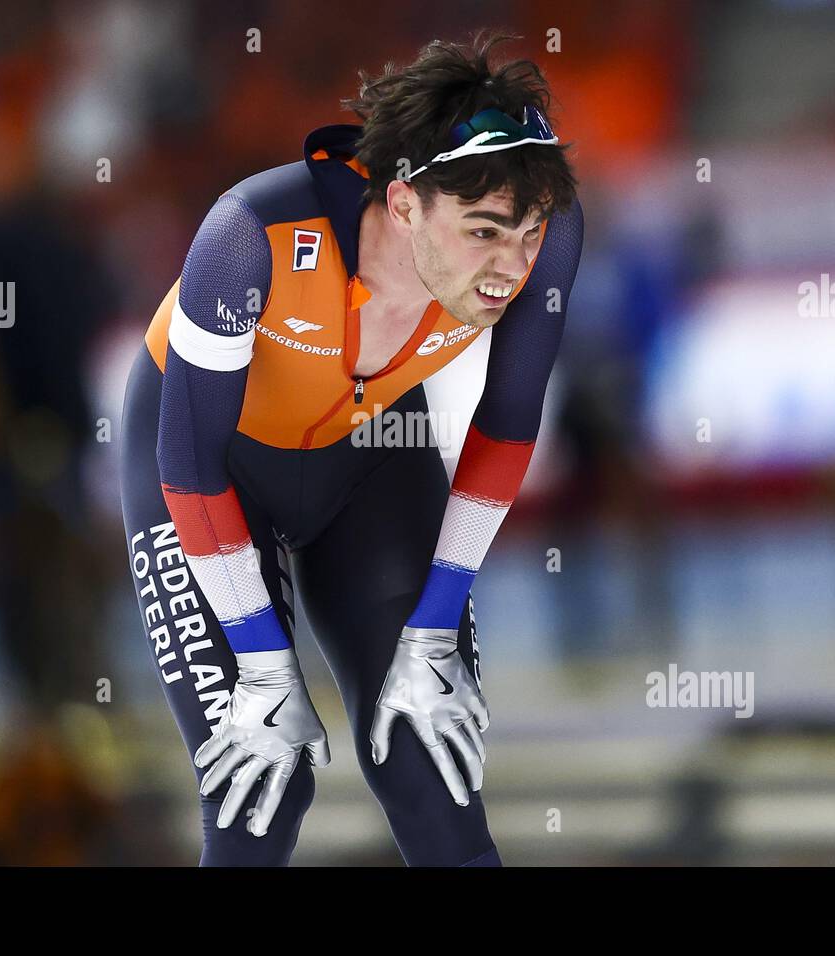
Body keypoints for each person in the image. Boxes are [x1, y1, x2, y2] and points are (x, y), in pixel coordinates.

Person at [118, 31, 583, 866]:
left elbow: (508, 422)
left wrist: (436, 628)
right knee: (263, 782)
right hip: (211, 472)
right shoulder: (248, 234)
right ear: (405, 205)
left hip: (370, 456)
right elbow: (187, 466)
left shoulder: (542, 231)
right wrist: (262, 665)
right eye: (483, 233)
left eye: (529, 235)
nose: (510, 269)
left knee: (431, 769)